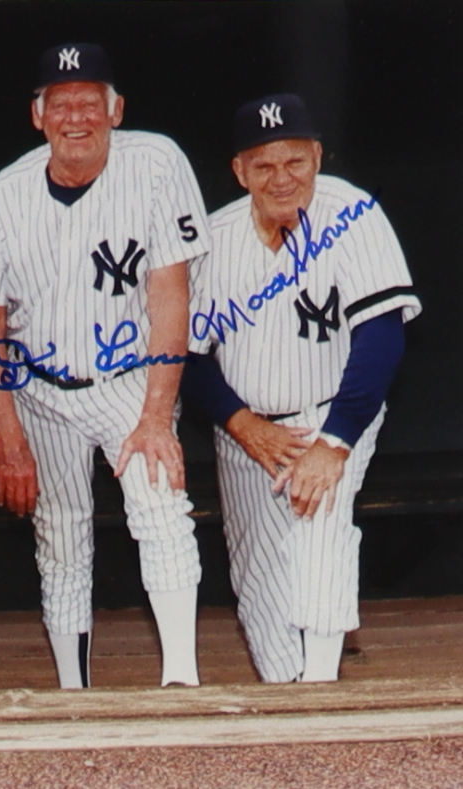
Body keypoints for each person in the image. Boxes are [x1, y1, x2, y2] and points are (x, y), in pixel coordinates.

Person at [0, 44, 210, 688]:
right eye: (61, 104)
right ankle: (73, 688)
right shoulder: (9, 193)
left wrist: (157, 416)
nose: (77, 117)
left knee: (160, 505)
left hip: (129, 379)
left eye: (90, 103)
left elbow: (170, 292)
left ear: (116, 111)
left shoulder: (156, 163)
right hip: (41, 389)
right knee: (62, 537)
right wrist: (6, 435)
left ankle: (180, 679)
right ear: (37, 116)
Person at [183, 93, 421, 683]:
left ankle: (320, 687)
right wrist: (242, 424)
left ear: (317, 156)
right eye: (263, 165)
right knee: (257, 580)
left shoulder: (353, 213)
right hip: (247, 429)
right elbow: (186, 356)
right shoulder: (213, 238)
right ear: (239, 171)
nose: (281, 178)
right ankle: (288, 697)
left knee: (320, 529)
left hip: (333, 411)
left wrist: (334, 443)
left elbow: (381, 337)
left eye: (294, 161)